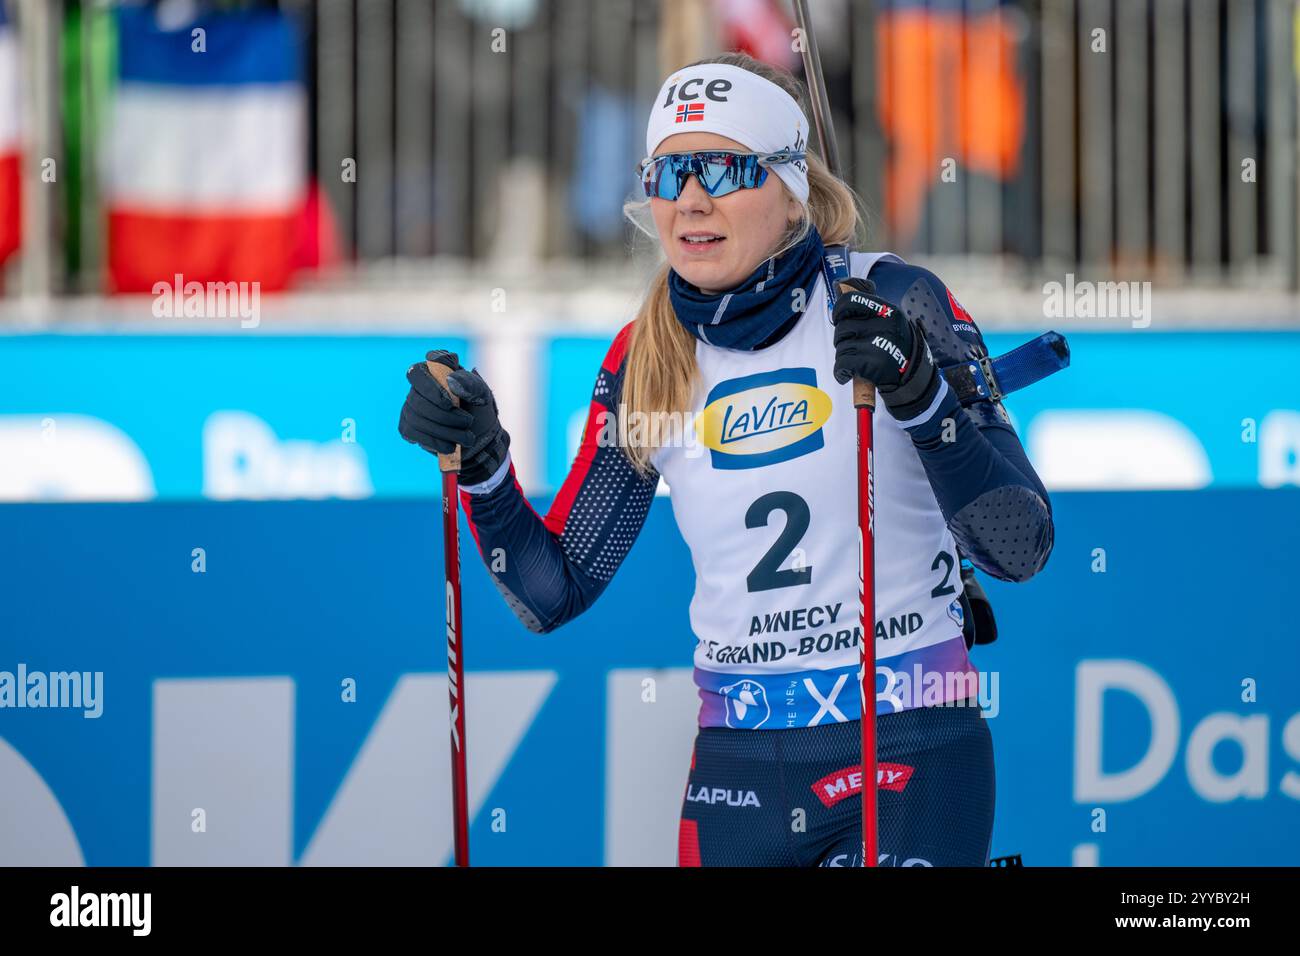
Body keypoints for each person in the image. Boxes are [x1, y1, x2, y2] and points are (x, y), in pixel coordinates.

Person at [399, 52, 1053, 867]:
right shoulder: (646, 356)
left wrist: (920, 389)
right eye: (669, 174)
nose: (691, 200)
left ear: (791, 192)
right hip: (740, 772)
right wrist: (484, 464)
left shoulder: (896, 299)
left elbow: (1020, 545)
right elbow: (552, 589)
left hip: (910, 743)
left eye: (724, 168)